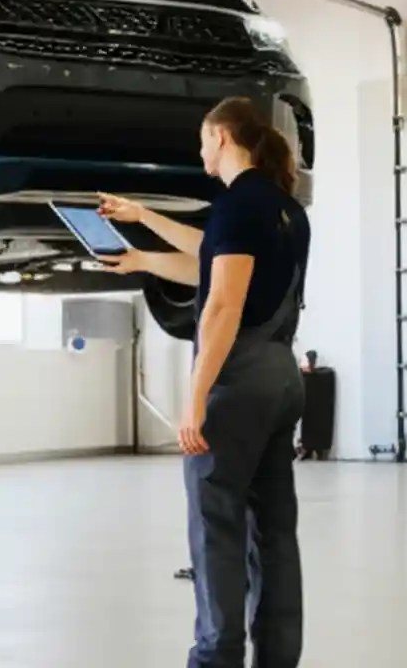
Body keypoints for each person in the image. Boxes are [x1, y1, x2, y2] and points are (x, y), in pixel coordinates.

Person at [96, 96, 311, 668]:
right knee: (274, 536)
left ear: (220, 137)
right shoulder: (282, 208)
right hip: (282, 377)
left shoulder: (238, 207)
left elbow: (219, 305)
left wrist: (193, 400)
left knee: (216, 533)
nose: (198, 151)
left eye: (201, 139)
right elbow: (207, 258)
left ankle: (215, 659)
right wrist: (141, 242)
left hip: (237, 383)